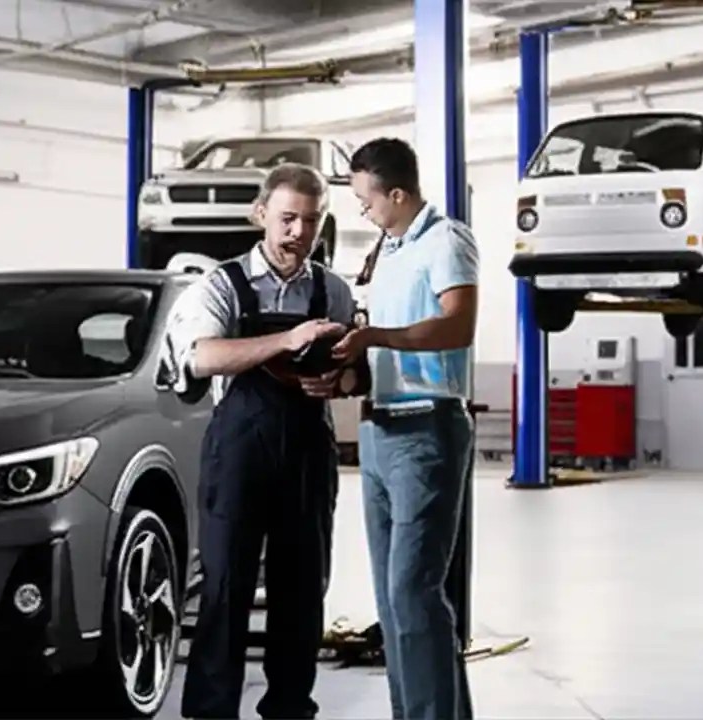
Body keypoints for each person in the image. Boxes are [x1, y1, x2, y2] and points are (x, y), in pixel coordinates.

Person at [163, 162, 363, 720]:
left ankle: (291, 708)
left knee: (302, 592)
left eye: (311, 220)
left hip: (307, 451)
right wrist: (289, 339)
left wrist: (340, 379)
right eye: (288, 218)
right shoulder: (222, 284)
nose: (299, 232)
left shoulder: (334, 290)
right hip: (239, 452)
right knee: (226, 587)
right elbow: (202, 356)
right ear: (261, 216)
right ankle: (211, 711)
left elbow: (353, 370)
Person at [331, 137, 480, 720]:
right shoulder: (387, 250)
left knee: (413, 592)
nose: (362, 211)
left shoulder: (446, 240)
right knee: (392, 604)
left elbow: (457, 326)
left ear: (397, 193)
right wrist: (346, 373)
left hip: (426, 430)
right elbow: (386, 344)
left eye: (367, 201)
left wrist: (375, 338)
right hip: (379, 428)